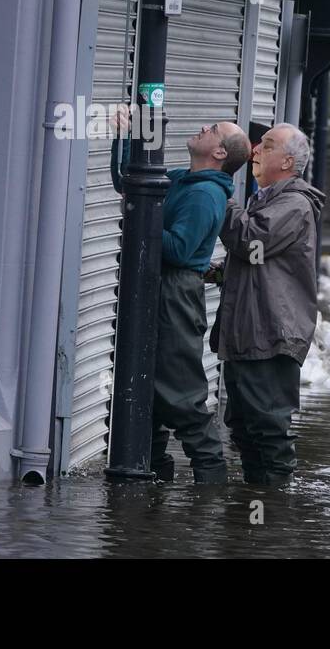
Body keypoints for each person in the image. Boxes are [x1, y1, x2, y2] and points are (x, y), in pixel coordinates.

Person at [110, 107, 251, 484]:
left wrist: (144, 220)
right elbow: (132, 182)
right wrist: (129, 136)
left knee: (181, 393)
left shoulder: (205, 194)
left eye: (213, 129)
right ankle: (153, 476)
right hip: (160, 289)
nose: (203, 127)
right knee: (146, 390)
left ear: (220, 152)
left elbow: (179, 250)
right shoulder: (184, 179)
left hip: (176, 293)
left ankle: (211, 482)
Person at [212, 123, 325, 485]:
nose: (256, 149)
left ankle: (274, 517)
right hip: (251, 334)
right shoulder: (269, 199)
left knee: (269, 430)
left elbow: (249, 238)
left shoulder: (293, 204)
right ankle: (254, 511)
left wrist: (215, 190)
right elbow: (257, 261)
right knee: (245, 428)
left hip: (271, 335)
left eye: (268, 144)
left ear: (288, 161)